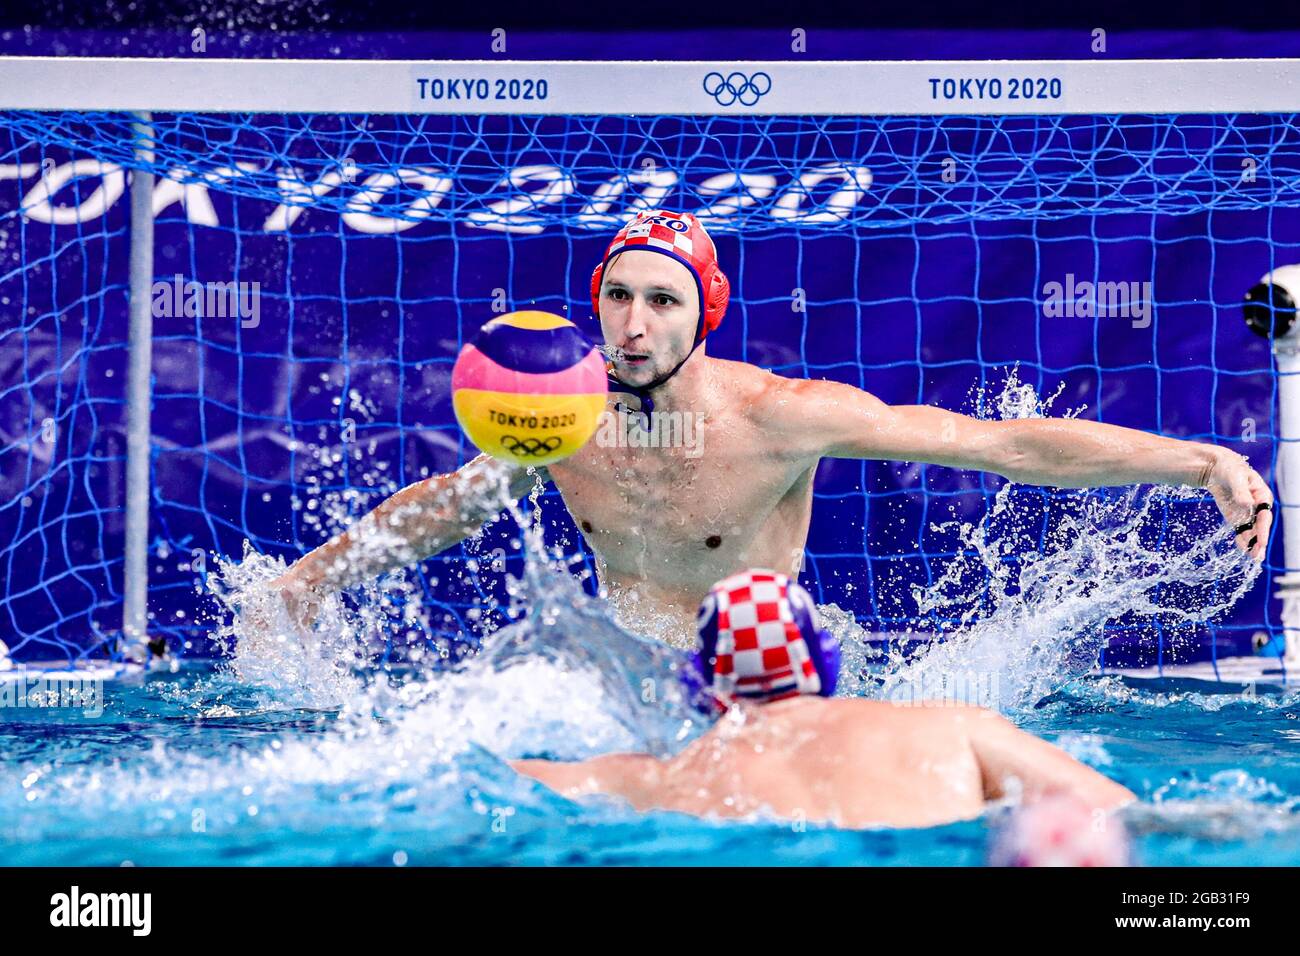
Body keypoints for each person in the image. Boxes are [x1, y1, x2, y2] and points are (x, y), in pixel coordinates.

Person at [273, 208, 1273, 647]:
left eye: (661, 301)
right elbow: (450, 504)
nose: (631, 324)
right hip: (624, 692)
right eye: (616, 296)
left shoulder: (778, 418)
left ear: (704, 310)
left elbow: (996, 444)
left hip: (765, 685)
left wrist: (1203, 459)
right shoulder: (563, 419)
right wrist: (312, 576)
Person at [510, 569, 1136, 830]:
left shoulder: (658, 778)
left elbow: (490, 769)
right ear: (825, 659)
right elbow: (1115, 810)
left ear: (703, 687)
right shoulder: (955, 726)